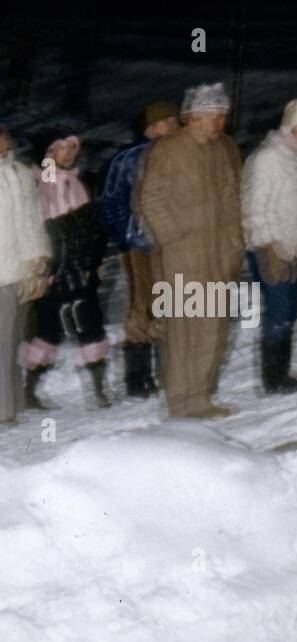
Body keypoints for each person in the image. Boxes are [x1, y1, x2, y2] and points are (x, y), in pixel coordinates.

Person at [137, 82, 243, 419]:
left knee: (212, 327)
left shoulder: (220, 151)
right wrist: (172, 238)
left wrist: (233, 244)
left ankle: (201, 396)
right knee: (184, 328)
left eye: (221, 117)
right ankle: (181, 402)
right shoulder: (168, 150)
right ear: (191, 117)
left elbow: (230, 202)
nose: (217, 124)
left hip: (216, 253)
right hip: (182, 253)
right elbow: (150, 199)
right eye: (211, 116)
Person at [242, 95, 297, 395]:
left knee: (290, 309)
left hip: (295, 245)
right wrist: (269, 245)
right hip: (272, 248)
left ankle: (280, 373)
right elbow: (253, 207)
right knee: (279, 311)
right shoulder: (269, 158)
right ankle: (274, 380)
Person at [19, 132, 110, 410]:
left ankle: (98, 390)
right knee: (49, 329)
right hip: (53, 269)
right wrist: (42, 269)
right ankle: (28, 389)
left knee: (91, 323)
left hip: (81, 267)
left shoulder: (79, 182)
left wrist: (95, 262)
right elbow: (38, 231)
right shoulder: (39, 184)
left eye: (72, 147)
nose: (68, 153)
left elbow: (92, 230)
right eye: (60, 148)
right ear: (47, 153)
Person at [99, 99, 180, 398]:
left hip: (176, 244)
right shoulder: (129, 159)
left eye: (174, 120)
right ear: (152, 127)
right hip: (141, 244)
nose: (173, 125)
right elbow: (110, 201)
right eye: (167, 121)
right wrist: (127, 235)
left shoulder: (184, 154)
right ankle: (137, 377)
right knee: (143, 305)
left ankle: (166, 371)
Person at [0, 124, 50, 424]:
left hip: (18, 269)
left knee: (13, 338)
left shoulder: (20, 173)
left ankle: (12, 404)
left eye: (3, 136)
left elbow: (33, 220)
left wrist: (37, 264)